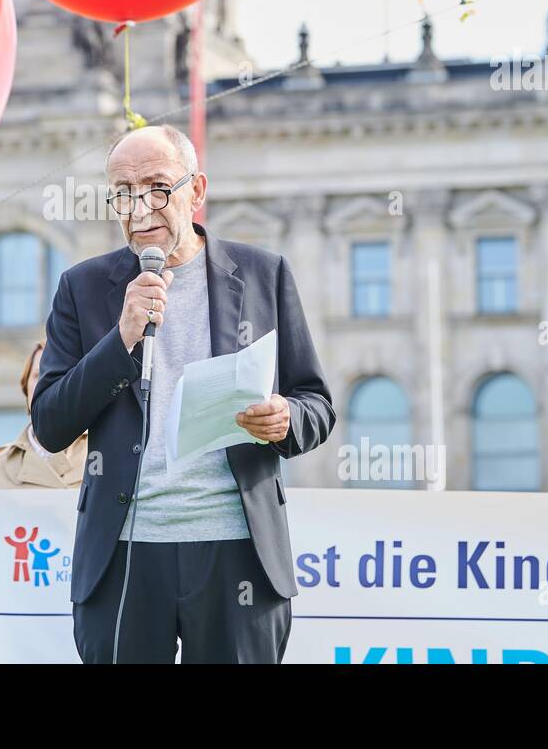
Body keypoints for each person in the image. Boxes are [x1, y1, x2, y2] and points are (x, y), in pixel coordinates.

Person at [31, 124, 336, 664]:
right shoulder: (82, 288)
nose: (140, 206)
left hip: (237, 553)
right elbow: (50, 425)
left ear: (195, 192)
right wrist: (120, 337)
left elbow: (318, 404)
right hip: (124, 557)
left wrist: (285, 418)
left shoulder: (265, 274)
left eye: (156, 187)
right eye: (123, 192)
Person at [0, 339, 88, 541]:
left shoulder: (106, 454)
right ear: (26, 389)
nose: (46, 383)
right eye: (38, 375)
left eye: (60, 374)